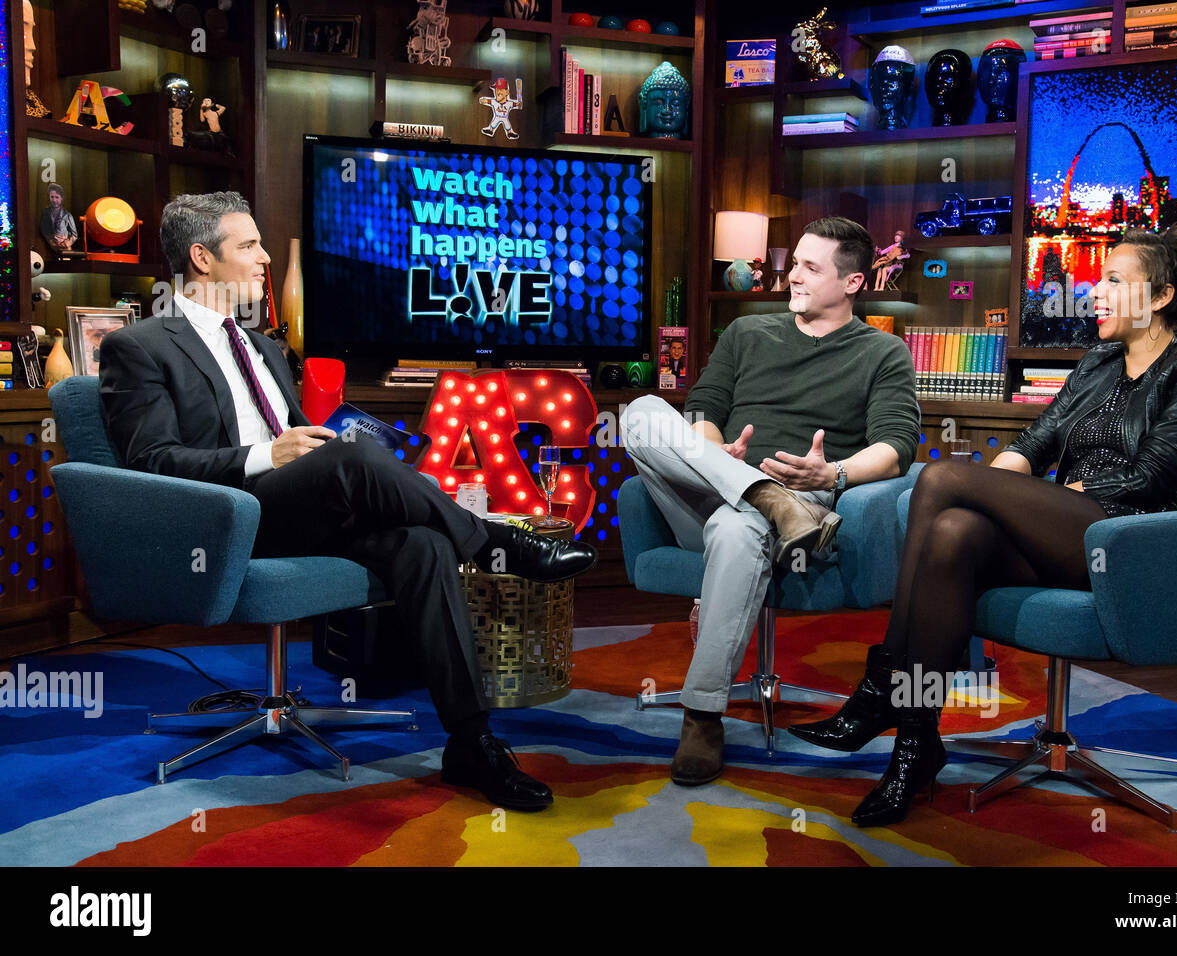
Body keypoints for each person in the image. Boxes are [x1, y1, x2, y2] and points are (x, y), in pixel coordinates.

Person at [98, 192, 599, 811]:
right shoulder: (141, 345)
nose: (263, 262)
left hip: (296, 510)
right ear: (201, 258)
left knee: (423, 543)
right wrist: (268, 456)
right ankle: (498, 542)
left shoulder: (264, 347)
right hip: (222, 518)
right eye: (249, 246)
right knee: (349, 457)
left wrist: (306, 450)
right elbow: (151, 464)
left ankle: (472, 742)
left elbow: (303, 439)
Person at [790, 229, 1177, 827]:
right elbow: (1033, 443)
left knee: (943, 476)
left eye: (1112, 282)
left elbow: (1152, 478)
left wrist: (1043, 496)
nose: (1092, 293)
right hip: (1069, 529)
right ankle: (916, 745)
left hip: (1137, 540)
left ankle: (884, 687)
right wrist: (1004, 493)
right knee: (954, 533)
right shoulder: (1099, 363)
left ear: (1159, 298)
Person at [620, 216, 920, 786]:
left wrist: (830, 472)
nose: (792, 276)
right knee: (640, 413)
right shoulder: (746, 333)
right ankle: (762, 495)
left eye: (810, 267)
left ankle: (702, 716)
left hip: (798, 512)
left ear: (853, 283)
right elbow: (703, 410)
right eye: (795, 262)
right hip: (712, 489)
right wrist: (718, 455)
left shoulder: (883, 352)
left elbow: (895, 448)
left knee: (740, 529)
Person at [39, 184, 77, 255]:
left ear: (62, 198)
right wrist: (50, 240)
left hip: (64, 249)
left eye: (57, 197)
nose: (54, 200)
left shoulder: (67, 215)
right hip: (49, 249)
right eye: (52, 197)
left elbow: (74, 235)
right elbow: (43, 229)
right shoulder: (45, 213)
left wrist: (66, 243)